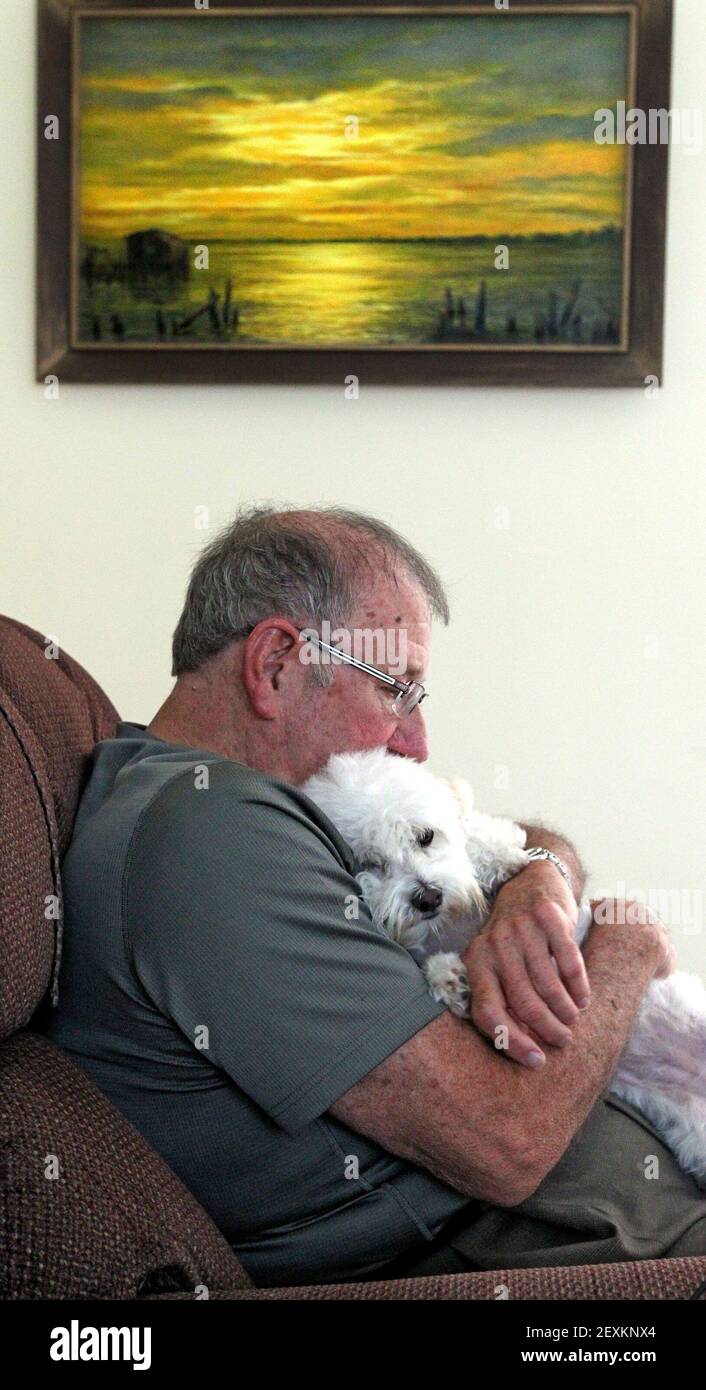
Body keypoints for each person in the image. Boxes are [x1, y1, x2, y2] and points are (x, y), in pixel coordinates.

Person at [44, 506, 705, 1286]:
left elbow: (482, 830)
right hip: (538, 1241)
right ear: (278, 664)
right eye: (399, 690)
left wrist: (538, 877)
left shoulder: (251, 805)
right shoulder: (207, 827)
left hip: (606, 1193)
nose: (414, 742)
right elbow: (504, 1145)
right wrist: (626, 945)